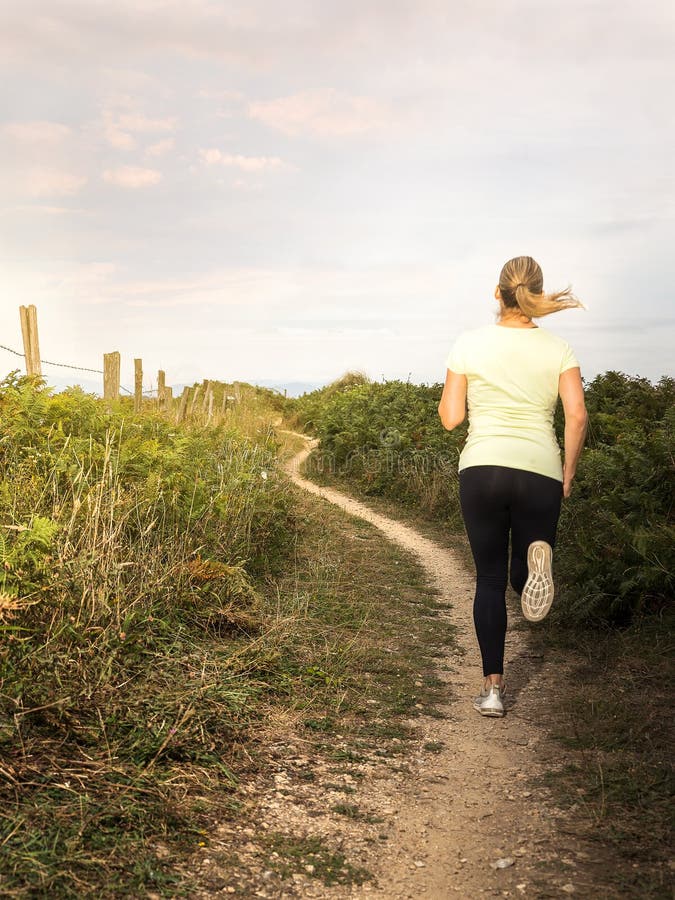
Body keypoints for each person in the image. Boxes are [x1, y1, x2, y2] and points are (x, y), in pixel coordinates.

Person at [438, 256, 588, 718]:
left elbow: (451, 419)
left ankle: (493, 691)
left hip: (483, 468)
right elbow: (577, 414)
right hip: (540, 468)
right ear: (535, 293)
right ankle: (531, 571)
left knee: (487, 578)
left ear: (496, 293)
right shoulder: (559, 348)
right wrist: (567, 472)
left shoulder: (468, 343)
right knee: (523, 572)